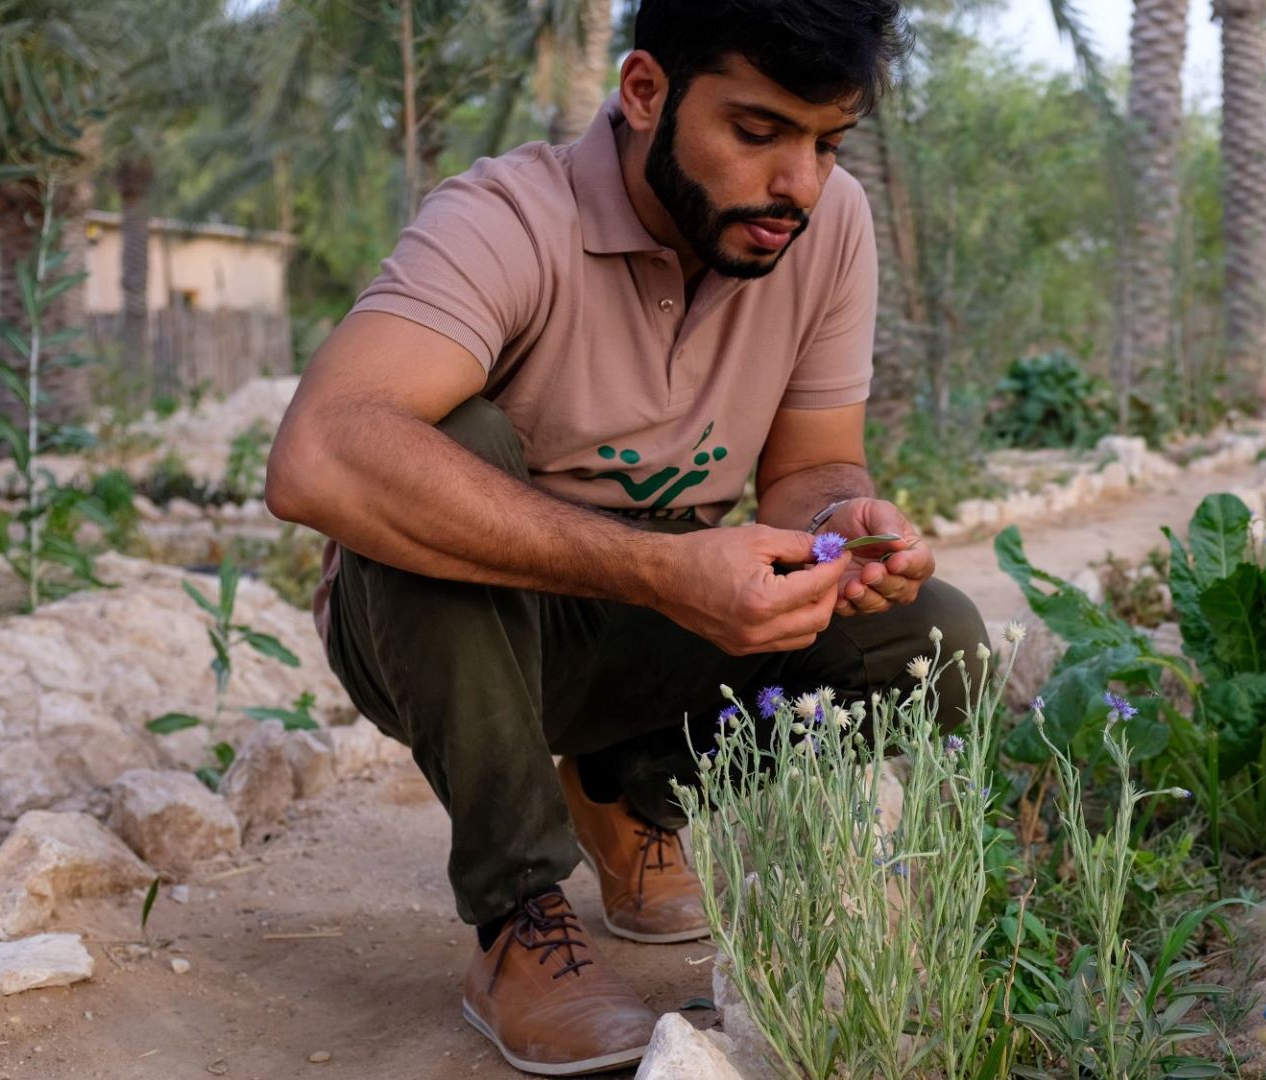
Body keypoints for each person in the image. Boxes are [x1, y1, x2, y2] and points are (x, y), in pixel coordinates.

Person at [264, 0, 989, 1073]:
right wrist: (658, 568)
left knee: (936, 642)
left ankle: (622, 788)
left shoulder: (826, 225)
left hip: (651, 623)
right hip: (447, 632)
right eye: (756, 133)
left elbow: (810, 466)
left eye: (827, 142)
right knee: (442, 439)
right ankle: (517, 921)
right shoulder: (508, 217)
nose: (798, 183)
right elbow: (319, 452)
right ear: (646, 92)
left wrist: (839, 524)